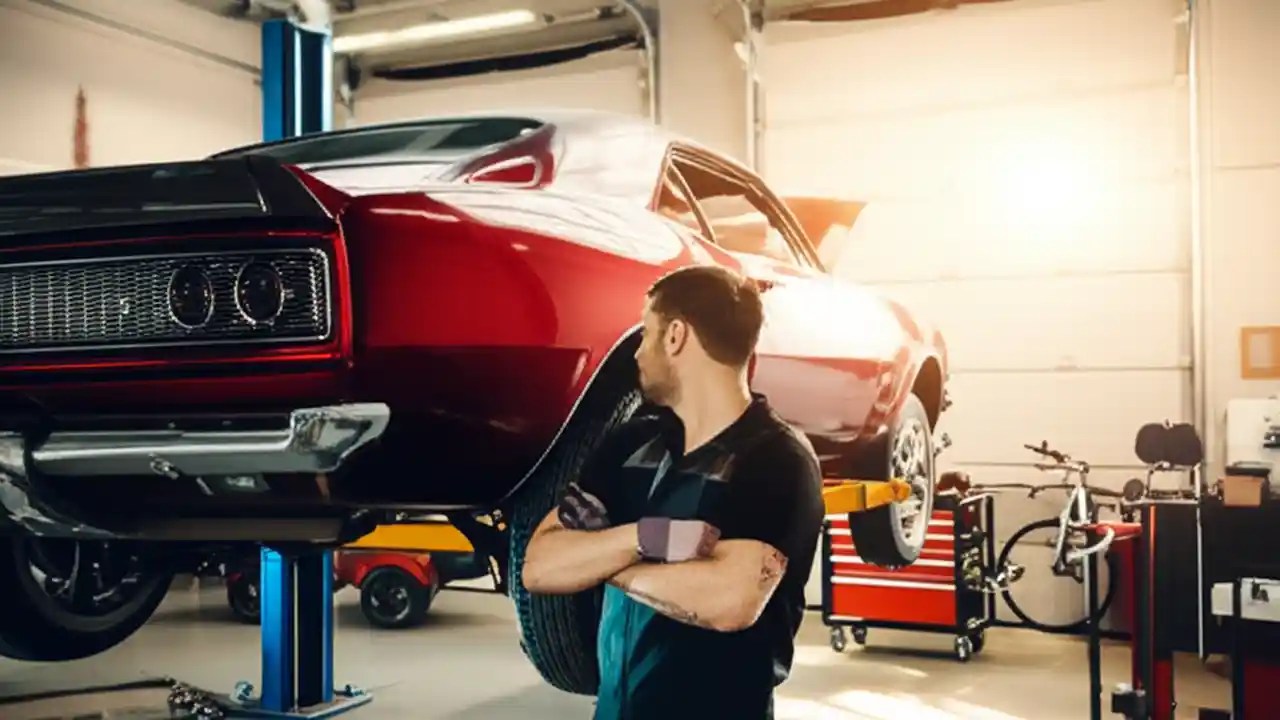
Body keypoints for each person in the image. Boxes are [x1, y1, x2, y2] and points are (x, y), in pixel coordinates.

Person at [521, 265, 826, 720]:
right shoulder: (628, 446)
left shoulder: (777, 459)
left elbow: (730, 601)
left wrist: (599, 563)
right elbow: (540, 567)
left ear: (677, 335)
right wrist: (645, 538)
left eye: (646, 332)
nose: (638, 354)